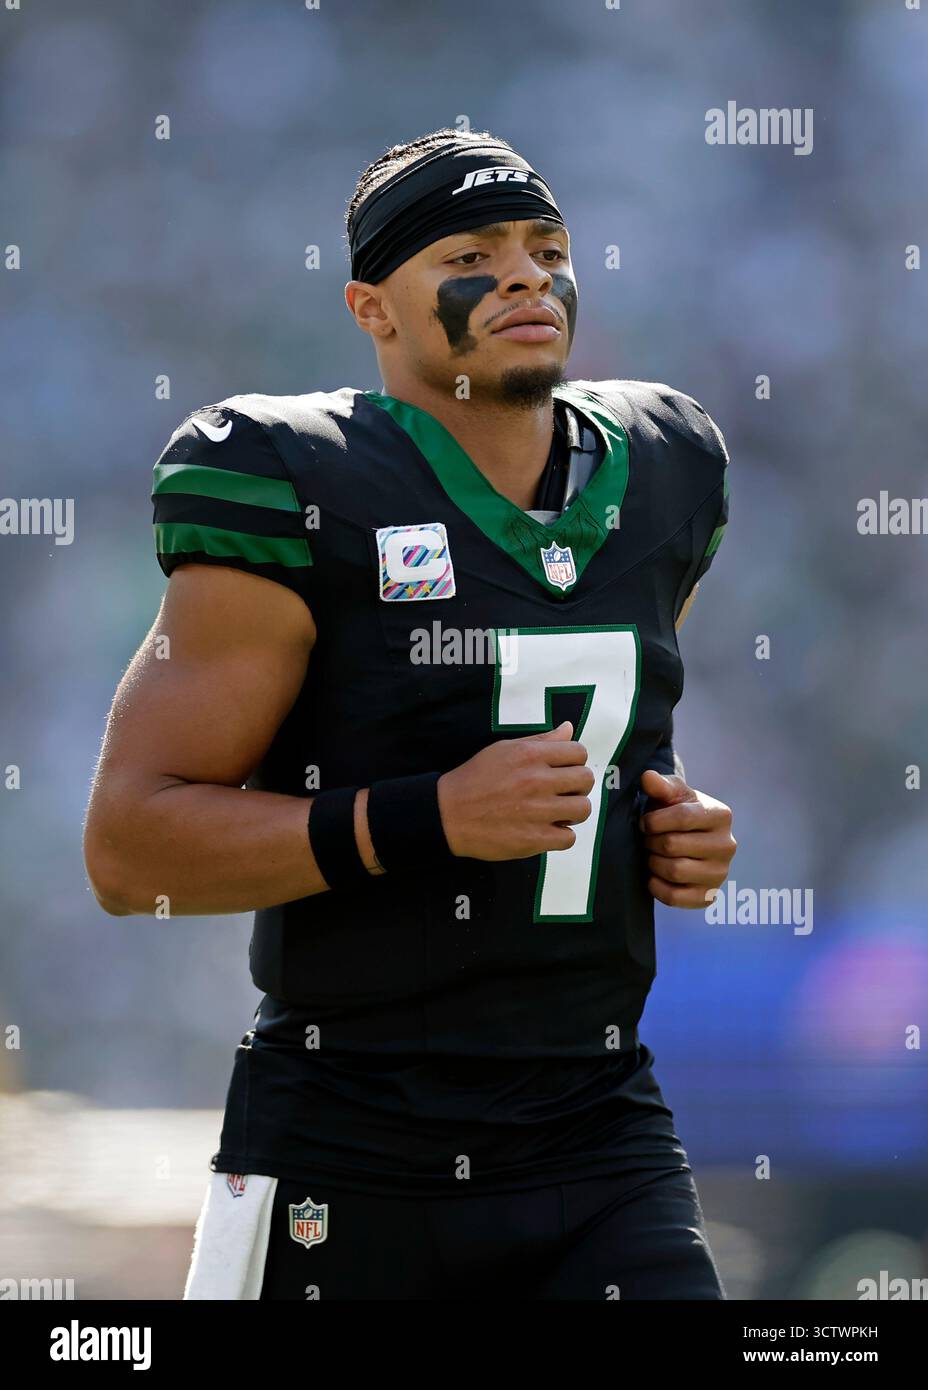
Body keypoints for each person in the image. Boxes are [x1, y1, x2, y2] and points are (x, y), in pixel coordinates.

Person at [84, 127, 736, 1300]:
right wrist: (423, 821)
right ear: (371, 307)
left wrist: (670, 822)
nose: (528, 275)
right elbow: (131, 852)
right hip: (350, 1149)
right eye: (471, 254)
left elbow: (595, 715)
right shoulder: (293, 478)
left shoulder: (668, 462)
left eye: (546, 247)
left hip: (596, 1131)